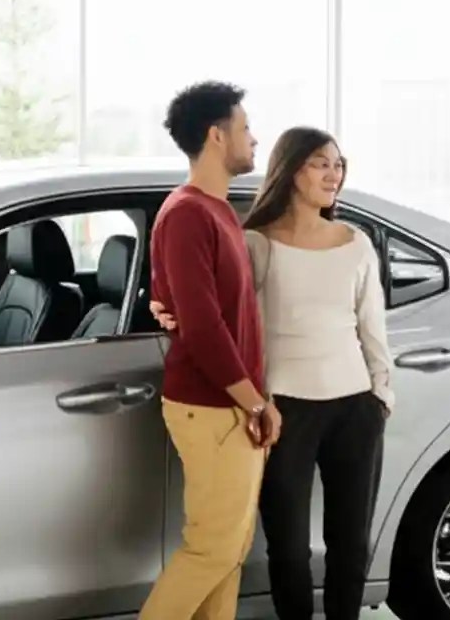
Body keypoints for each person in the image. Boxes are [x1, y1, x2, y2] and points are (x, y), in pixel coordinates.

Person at [151, 126, 393, 620]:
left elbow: (373, 331)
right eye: (319, 163)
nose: (333, 174)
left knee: (350, 543)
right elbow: (215, 309)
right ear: (290, 170)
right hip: (282, 410)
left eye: (338, 164)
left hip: (355, 408)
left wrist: (381, 397)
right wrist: (165, 308)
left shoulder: (357, 244)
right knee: (287, 549)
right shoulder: (254, 243)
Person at [139, 81, 281, 620]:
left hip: (231, 405)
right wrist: (254, 402)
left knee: (231, 552)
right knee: (212, 550)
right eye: (245, 129)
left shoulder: (217, 211)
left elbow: (195, 305)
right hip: (213, 405)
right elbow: (202, 328)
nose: (254, 139)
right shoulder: (188, 213)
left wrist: (253, 399)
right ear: (217, 136)